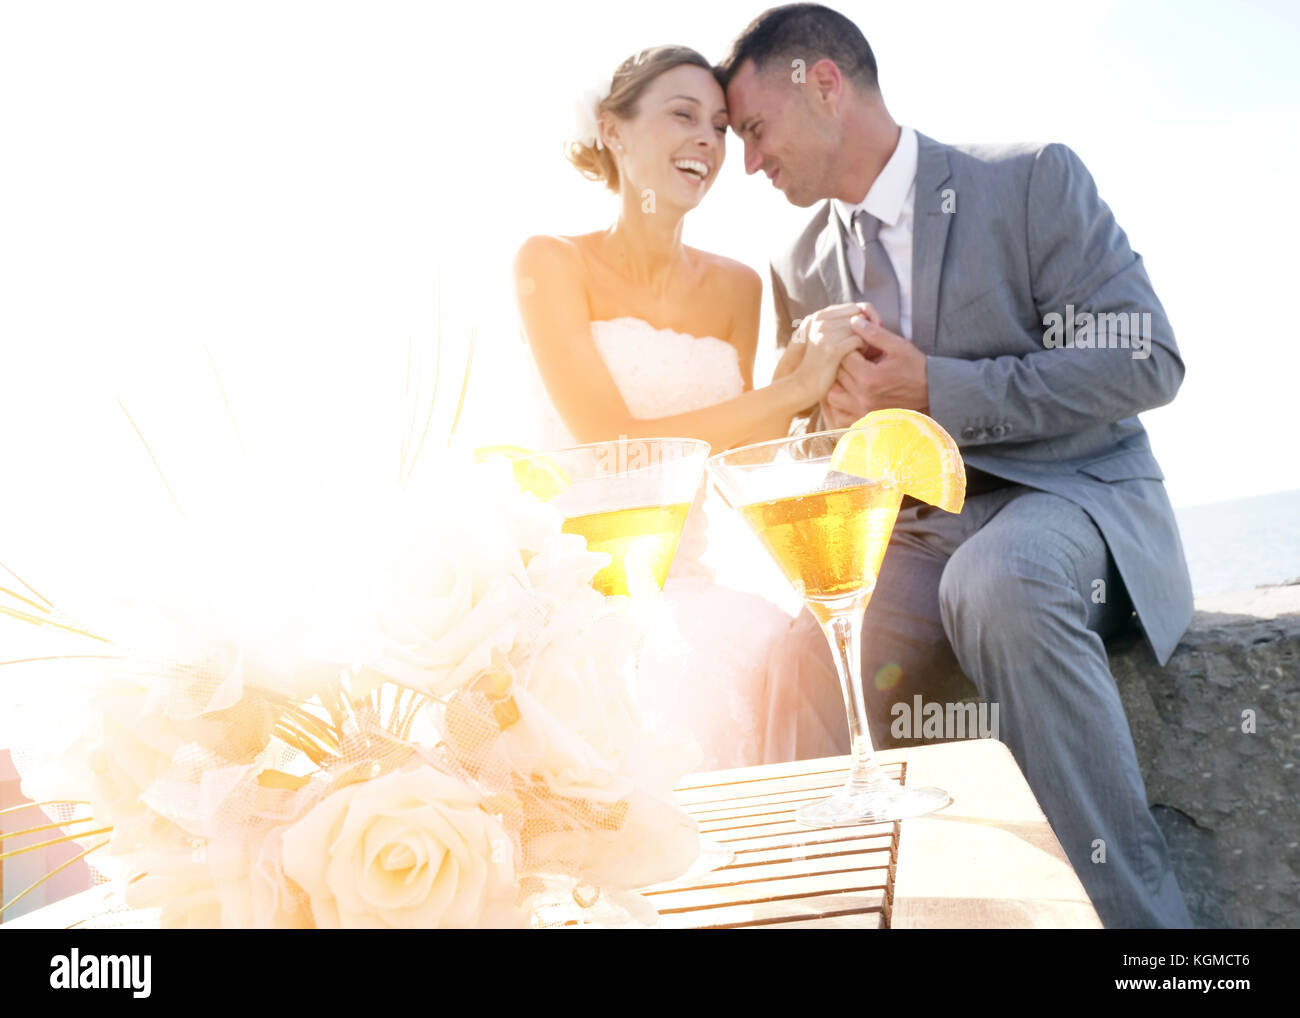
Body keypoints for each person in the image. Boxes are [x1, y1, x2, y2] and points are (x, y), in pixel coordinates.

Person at [718, 3, 1195, 928]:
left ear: (824, 83)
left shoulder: (1028, 178)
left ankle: (1153, 941)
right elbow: (823, 449)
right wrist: (810, 394)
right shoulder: (798, 259)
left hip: (1072, 500)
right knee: (806, 648)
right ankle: (818, 913)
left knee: (1000, 580)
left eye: (755, 130)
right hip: (914, 530)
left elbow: (1146, 358)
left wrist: (941, 388)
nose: (749, 162)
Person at [512, 45, 864, 770]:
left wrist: (799, 388)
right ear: (613, 129)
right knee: (672, 683)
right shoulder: (550, 263)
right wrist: (787, 392)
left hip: (696, 584)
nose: (707, 139)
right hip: (581, 590)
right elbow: (613, 442)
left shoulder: (739, 288)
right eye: (682, 116)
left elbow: (731, 463)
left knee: (786, 660)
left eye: (720, 127)